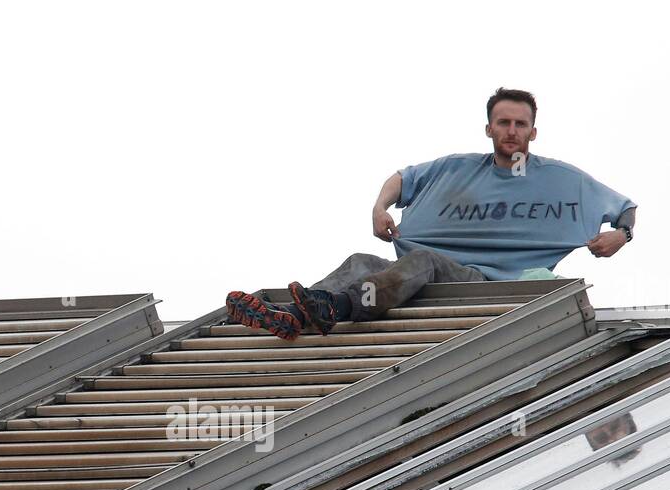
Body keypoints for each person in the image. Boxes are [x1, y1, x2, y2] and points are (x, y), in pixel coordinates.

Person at [227, 87, 638, 340]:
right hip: (423, 268)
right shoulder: (455, 168)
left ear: (534, 131)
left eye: (520, 124)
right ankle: (293, 316)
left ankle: (337, 307)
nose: (511, 130)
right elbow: (402, 179)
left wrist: (621, 235)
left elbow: (624, 209)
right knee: (361, 261)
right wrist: (379, 207)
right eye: (503, 122)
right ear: (488, 128)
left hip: (485, 281)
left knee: (421, 260)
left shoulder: (562, 180)